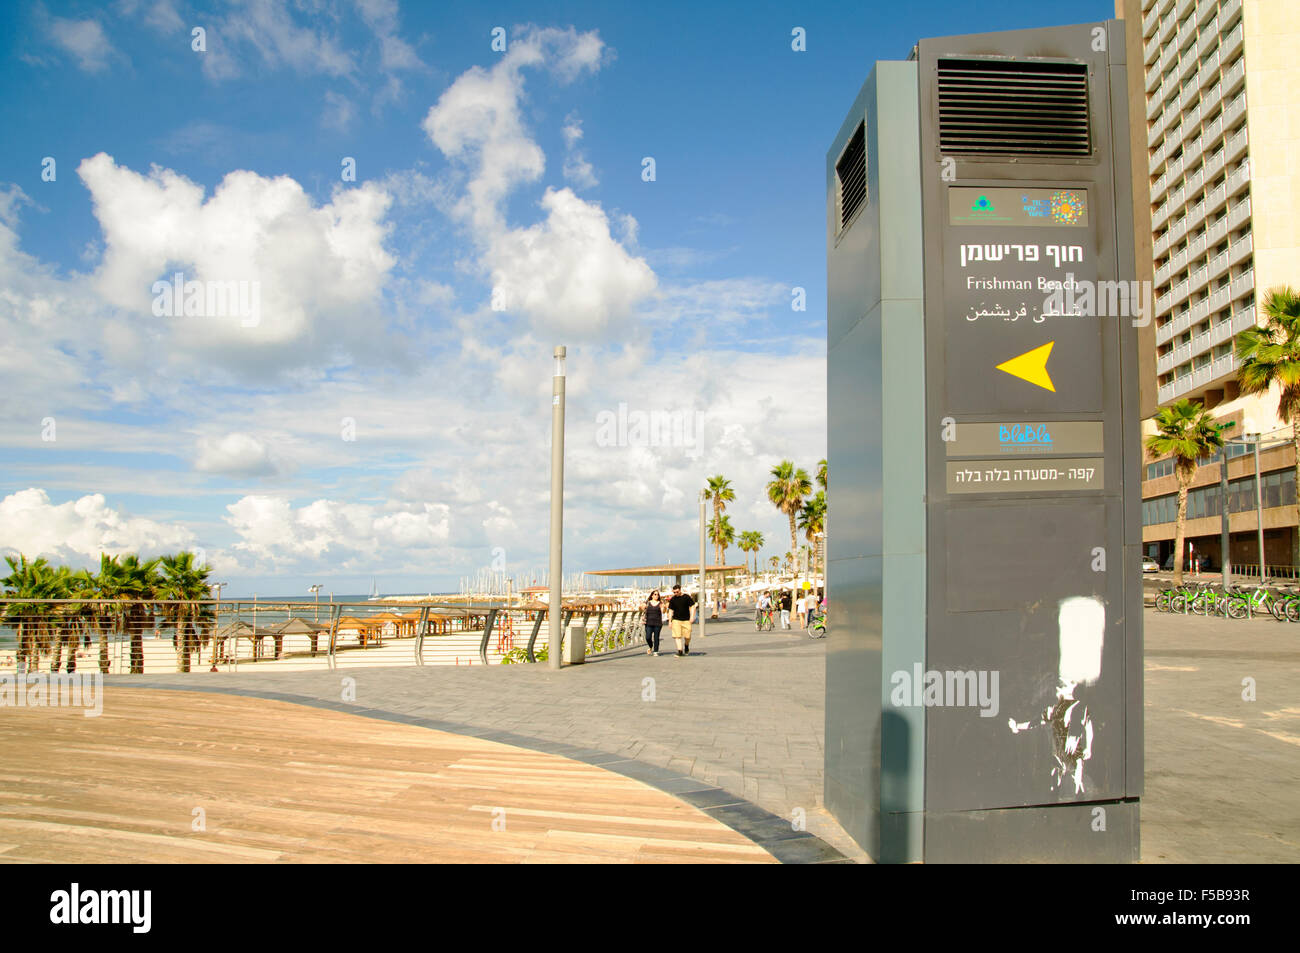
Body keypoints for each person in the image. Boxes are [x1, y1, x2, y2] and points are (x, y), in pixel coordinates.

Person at [667, 583, 696, 656]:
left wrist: (692, 617)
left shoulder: (686, 597)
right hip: (676, 620)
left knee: (687, 636)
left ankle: (686, 645)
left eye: (677, 592)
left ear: (680, 590)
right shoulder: (673, 599)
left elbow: (692, 606)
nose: (675, 593)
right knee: (677, 636)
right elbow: (670, 610)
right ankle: (680, 651)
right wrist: (670, 621)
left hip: (686, 620)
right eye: (674, 592)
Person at [644, 589, 664, 656]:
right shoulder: (647, 602)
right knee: (648, 637)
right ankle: (651, 646)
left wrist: (664, 608)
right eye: (655, 594)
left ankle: (656, 651)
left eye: (658, 594)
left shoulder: (660, 603)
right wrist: (642, 607)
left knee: (656, 637)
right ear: (652, 595)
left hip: (657, 623)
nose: (657, 596)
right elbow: (641, 609)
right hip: (648, 622)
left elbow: (663, 611)